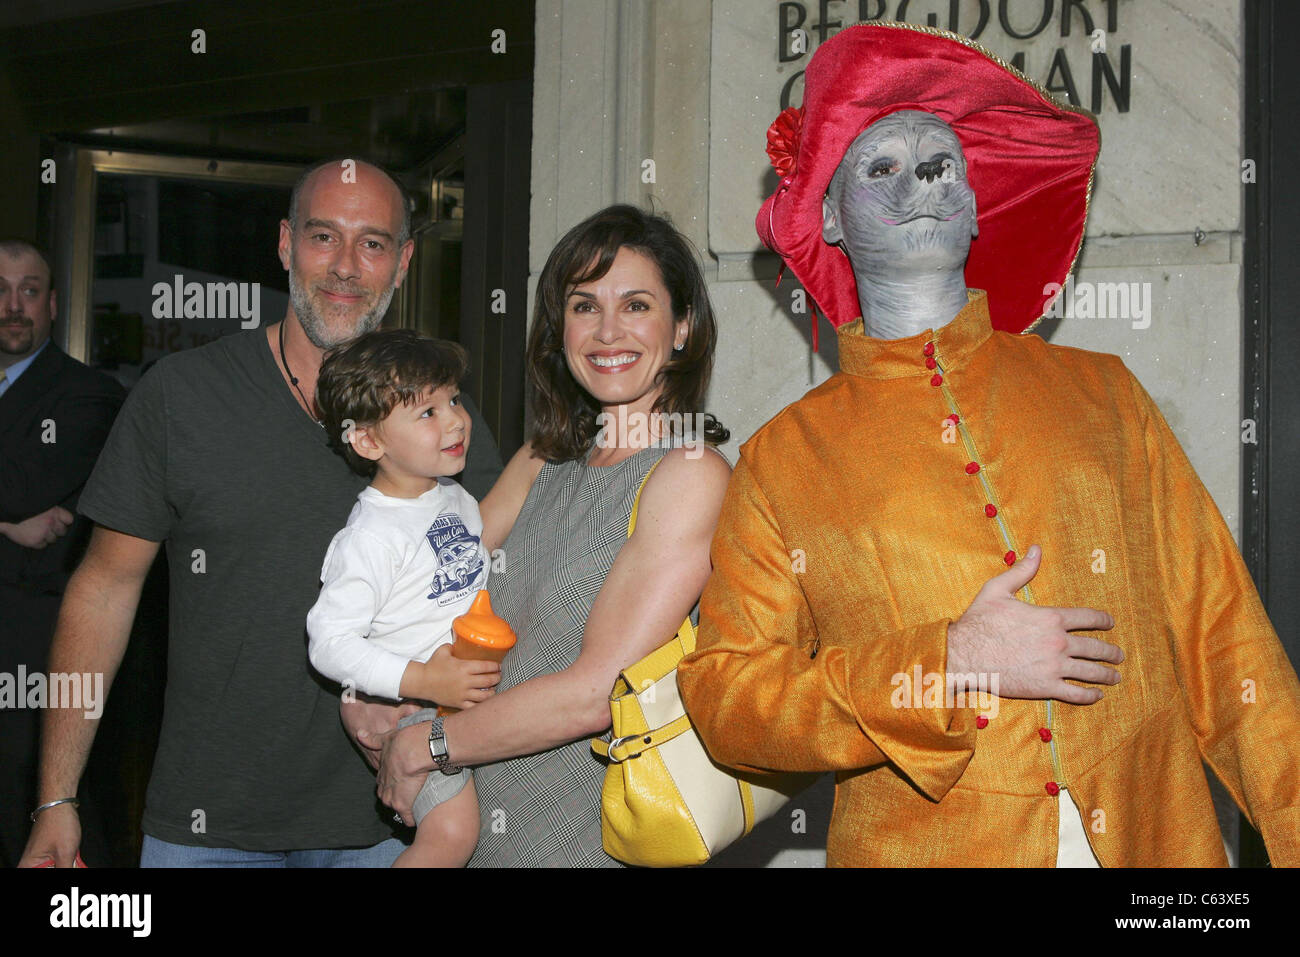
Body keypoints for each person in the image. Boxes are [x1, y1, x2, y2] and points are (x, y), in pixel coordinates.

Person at [676, 22, 1300, 867]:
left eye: (940, 164)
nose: (919, 185)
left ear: (973, 205)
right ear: (828, 216)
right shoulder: (781, 459)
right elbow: (727, 700)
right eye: (880, 167)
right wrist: (947, 663)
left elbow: (1228, 646)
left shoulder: (1105, 390)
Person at [19, 158, 500, 868]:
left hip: (388, 826)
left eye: (371, 243)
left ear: (402, 263)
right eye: (322, 236)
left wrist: (421, 701)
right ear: (283, 244)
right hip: (207, 827)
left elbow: (497, 587)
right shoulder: (182, 397)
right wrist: (57, 799)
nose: (344, 266)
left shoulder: (444, 426)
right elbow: (102, 591)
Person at [363, 204, 733, 866]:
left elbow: (597, 693)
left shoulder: (689, 475)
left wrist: (430, 743)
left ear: (682, 327)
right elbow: (428, 587)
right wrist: (366, 681)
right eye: (584, 305)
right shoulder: (543, 459)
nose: (608, 329)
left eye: (637, 305)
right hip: (474, 835)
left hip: (574, 842)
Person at [308, 329, 500, 867]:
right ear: (369, 442)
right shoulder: (370, 536)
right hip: (415, 711)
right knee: (452, 835)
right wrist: (422, 680)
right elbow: (329, 643)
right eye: (427, 413)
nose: (457, 420)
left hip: (465, 702)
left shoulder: (455, 497)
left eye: (453, 400)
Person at [0, 240, 124, 867]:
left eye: (28, 290)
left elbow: (22, 485)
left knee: (37, 807)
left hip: (32, 648)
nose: (12, 305)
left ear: (51, 304)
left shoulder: (87, 396)